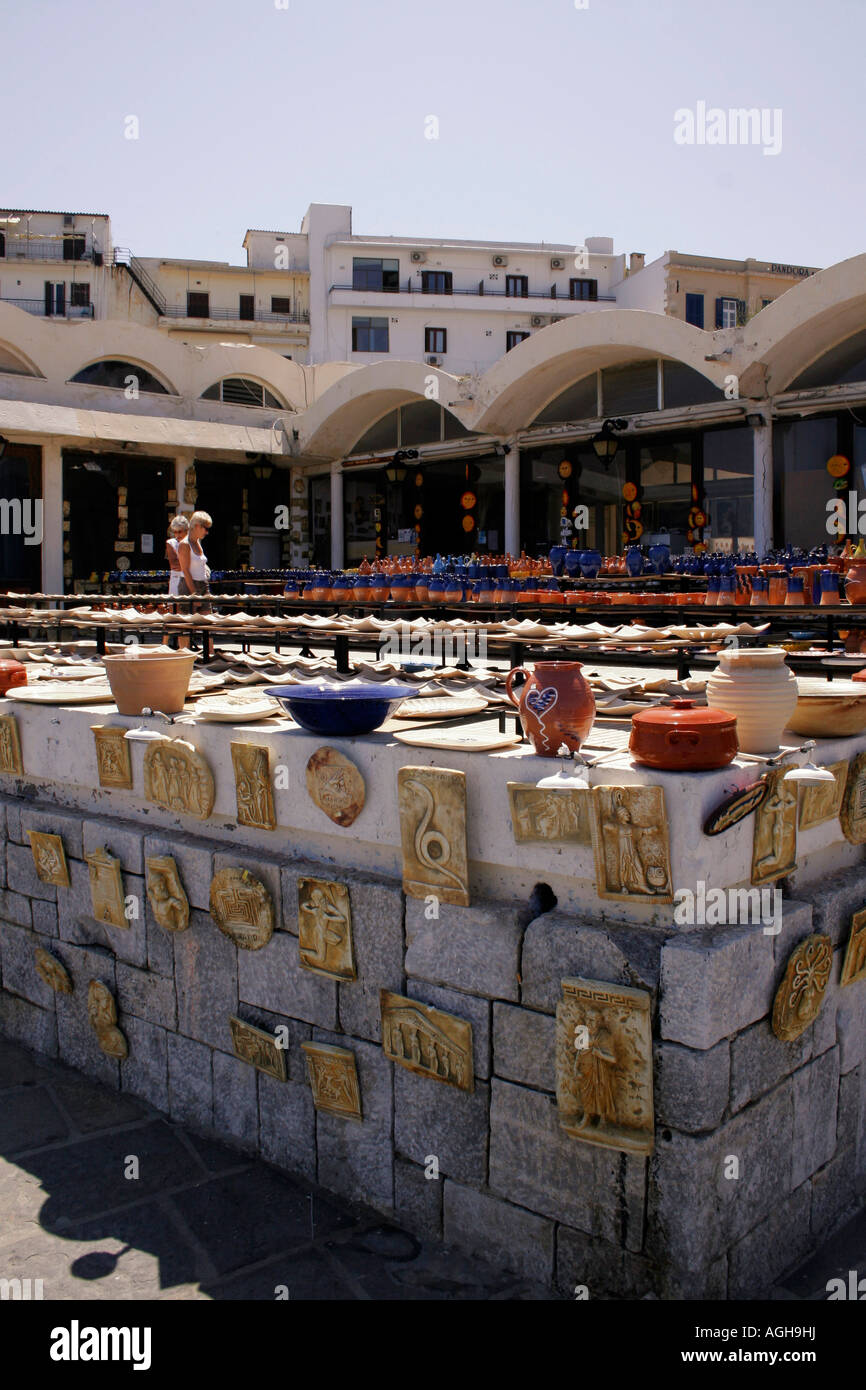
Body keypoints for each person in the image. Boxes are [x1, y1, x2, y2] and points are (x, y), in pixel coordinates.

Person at [165, 515, 189, 596]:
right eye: (175, 532)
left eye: (180, 531)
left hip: (191, 580)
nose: (177, 534)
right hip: (177, 579)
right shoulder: (171, 543)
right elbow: (175, 565)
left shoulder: (193, 543)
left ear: (186, 530)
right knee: (175, 606)